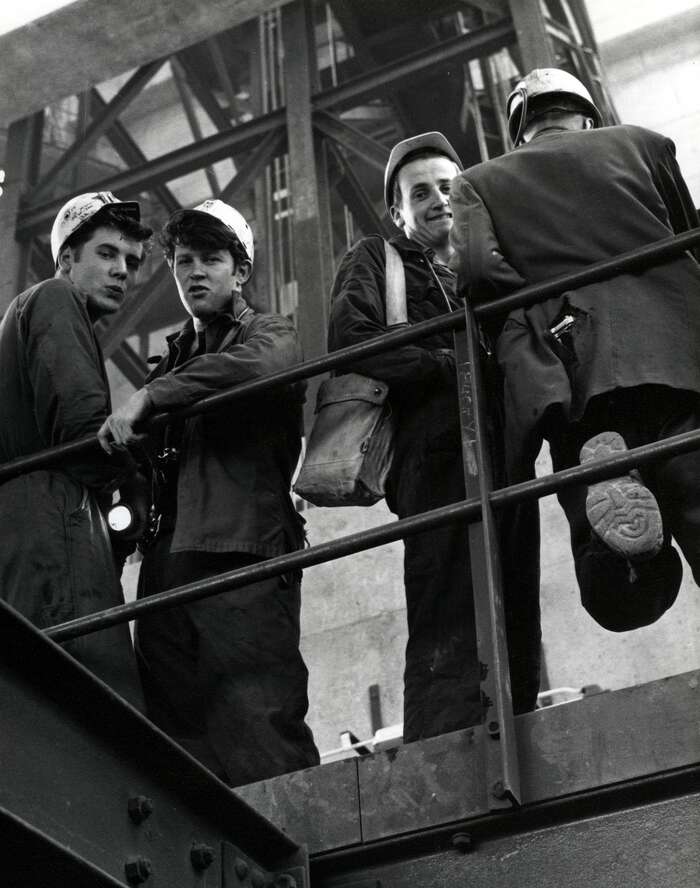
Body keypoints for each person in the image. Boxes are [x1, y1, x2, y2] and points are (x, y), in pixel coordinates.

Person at [450, 67, 700, 632]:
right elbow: (686, 234)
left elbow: (476, 272)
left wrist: (545, 295)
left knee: (619, 603)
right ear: (586, 113)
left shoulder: (478, 182)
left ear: (521, 129)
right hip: (679, 350)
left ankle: (623, 565)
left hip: (573, 371)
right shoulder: (642, 144)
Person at [327, 132, 541, 743]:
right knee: (446, 607)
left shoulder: (488, 267)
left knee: (516, 599)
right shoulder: (379, 259)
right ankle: (449, 754)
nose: (438, 200)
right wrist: (450, 366)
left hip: (505, 454)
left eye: (448, 187)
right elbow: (351, 334)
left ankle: (518, 734)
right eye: (420, 193)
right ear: (399, 212)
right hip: (434, 457)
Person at [97, 199, 319, 786]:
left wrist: (154, 395)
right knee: (176, 741)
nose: (194, 272)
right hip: (167, 569)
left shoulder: (267, 332)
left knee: (259, 722)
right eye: (183, 260)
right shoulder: (172, 356)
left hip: (240, 553)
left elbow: (268, 364)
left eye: (211, 260)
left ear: (239, 272)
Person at [0, 191, 151, 708]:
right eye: (106, 254)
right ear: (67, 258)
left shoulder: (29, 314)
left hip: (28, 522)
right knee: (90, 699)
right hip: (54, 517)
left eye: (129, 262)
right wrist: (136, 477)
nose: (121, 272)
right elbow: (84, 427)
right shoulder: (54, 299)